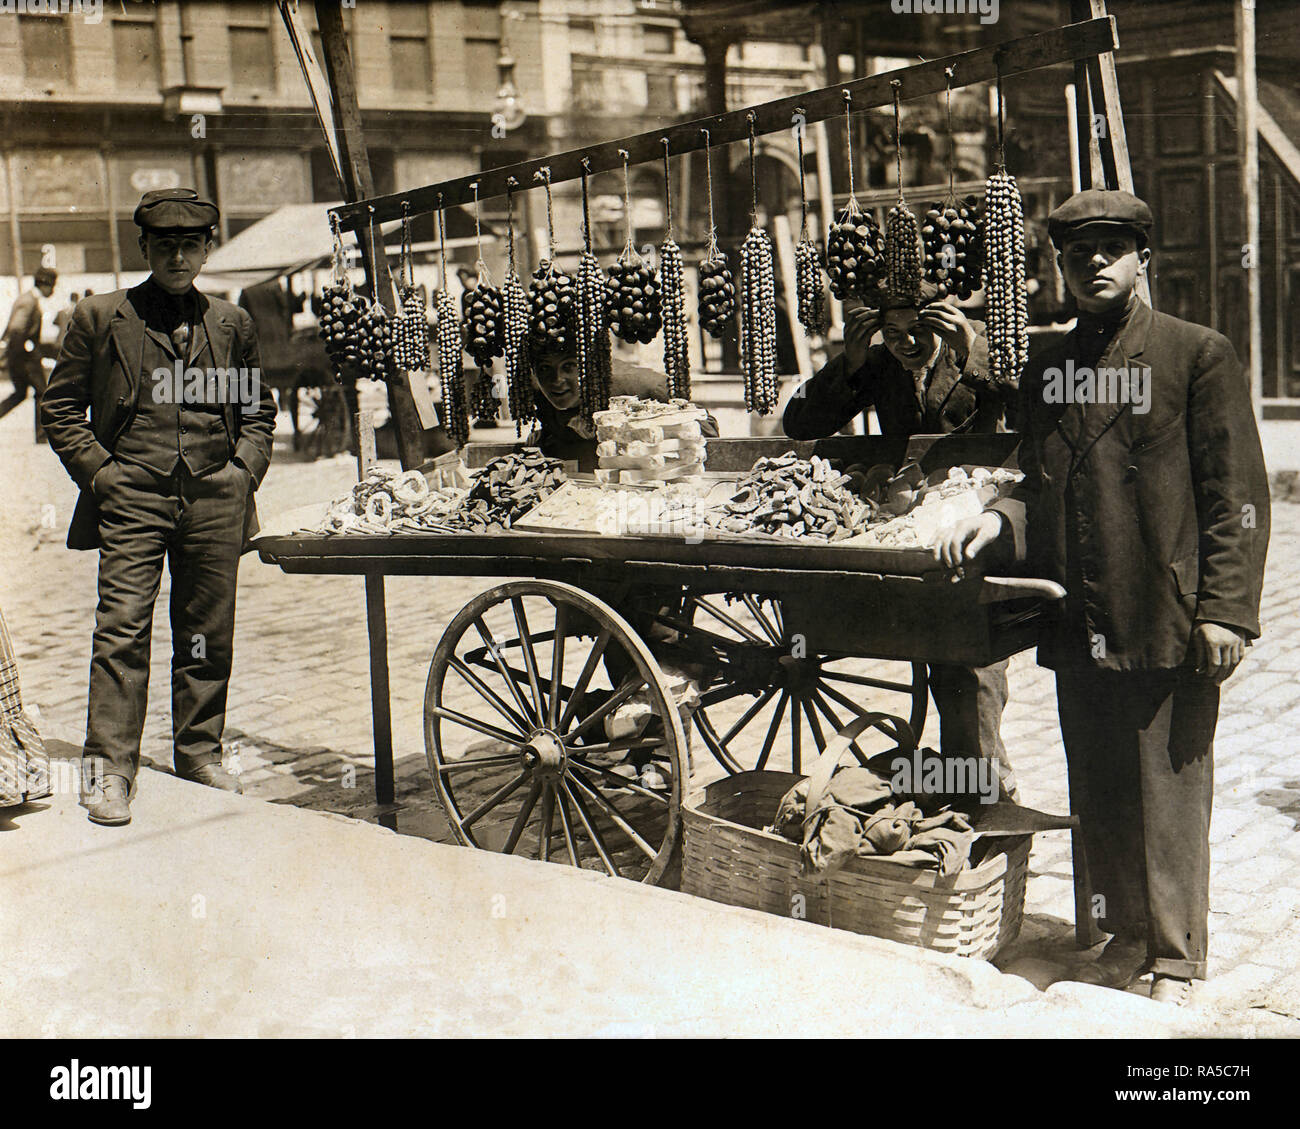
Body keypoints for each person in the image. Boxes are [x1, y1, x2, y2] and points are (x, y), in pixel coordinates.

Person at [937, 189, 1270, 1005]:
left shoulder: (1198, 355)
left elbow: (1238, 497)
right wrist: (996, 518)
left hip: (1168, 613)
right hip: (1079, 608)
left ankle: (1177, 957)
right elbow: (1037, 474)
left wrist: (1226, 609)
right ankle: (1121, 934)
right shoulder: (1048, 365)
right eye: (1077, 251)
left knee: (1169, 787)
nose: (1094, 262)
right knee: (1098, 780)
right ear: (1060, 264)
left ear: (1141, 257)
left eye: (1112, 248)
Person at [41, 189, 278, 827]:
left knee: (206, 631)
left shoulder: (232, 324)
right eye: (165, 245)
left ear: (206, 248)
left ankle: (199, 752)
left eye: (191, 244)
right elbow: (60, 410)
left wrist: (240, 475)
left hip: (212, 496)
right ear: (143, 248)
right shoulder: (99, 317)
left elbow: (257, 410)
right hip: (132, 495)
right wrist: (103, 478)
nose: (179, 256)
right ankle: (110, 771)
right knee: (121, 628)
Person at [783, 282, 1019, 801]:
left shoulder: (977, 348)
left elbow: (1029, 408)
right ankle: (970, 784)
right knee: (941, 653)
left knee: (972, 659)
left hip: (975, 518)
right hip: (909, 528)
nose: (906, 343)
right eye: (892, 334)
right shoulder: (879, 365)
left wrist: (970, 349)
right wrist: (848, 361)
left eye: (918, 332)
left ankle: (986, 791)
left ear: (943, 322)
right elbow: (799, 421)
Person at [1, 266, 57, 425]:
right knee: (42, 392)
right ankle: (42, 436)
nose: (52, 291)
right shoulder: (28, 301)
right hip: (25, 358)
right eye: (52, 286)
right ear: (44, 284)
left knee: (20, 394)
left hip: (20, 356)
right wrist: (26, 350)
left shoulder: (26, 299)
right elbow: (17, 328)